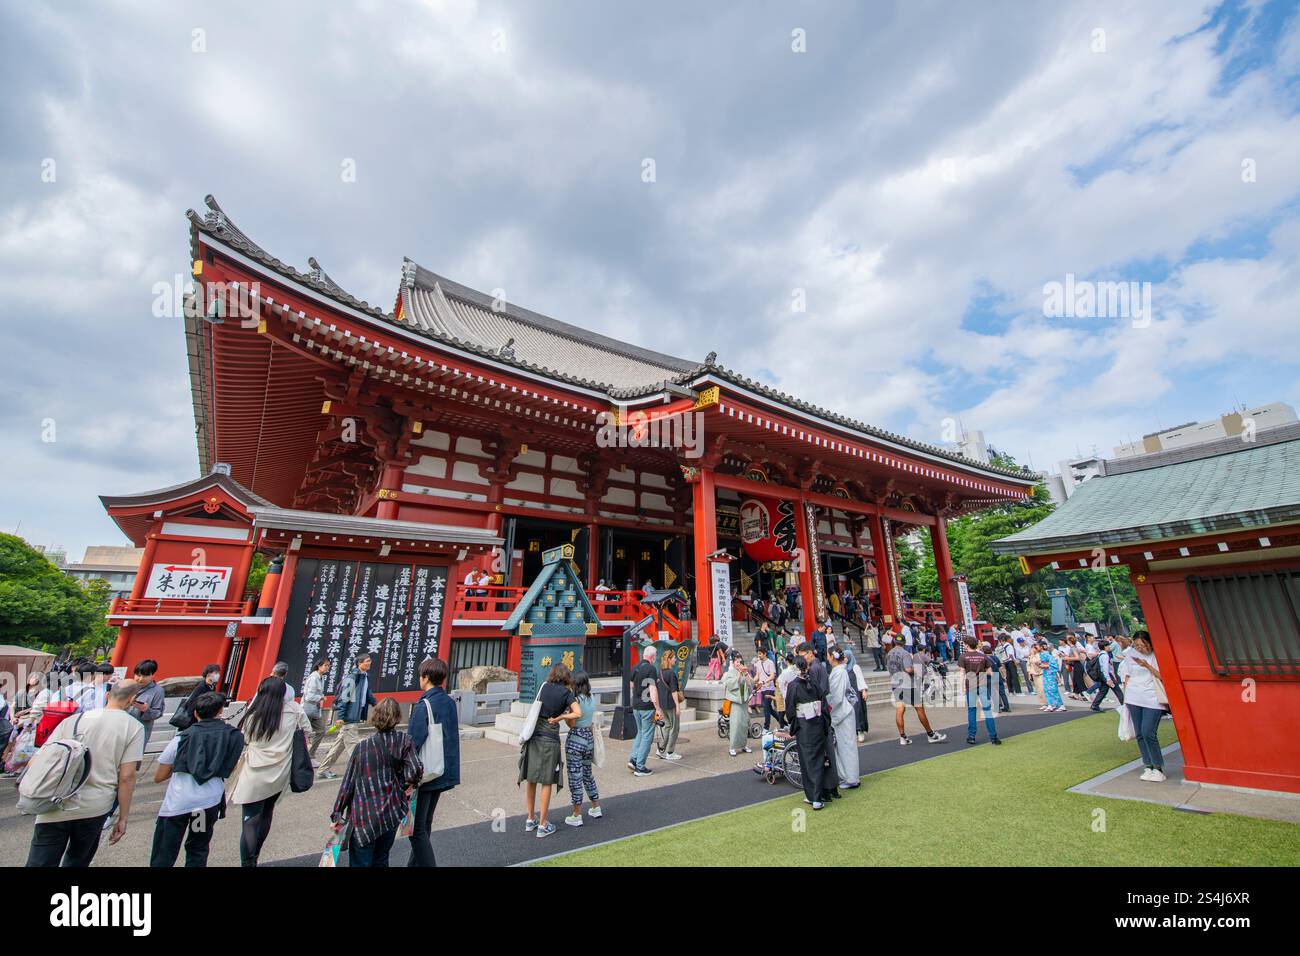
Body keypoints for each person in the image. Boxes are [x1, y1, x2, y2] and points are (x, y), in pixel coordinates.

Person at [26, 680, 144, 867]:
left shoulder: (73, 720)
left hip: (54, 803)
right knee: (77, 861)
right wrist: (123, 817)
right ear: (132, 700)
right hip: (95, 806)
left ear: (107, 696)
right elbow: (127, 777)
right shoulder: (134, 727)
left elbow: (36, 761)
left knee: (40, 862)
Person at [150, 690, 244, 867]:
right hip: (205, 804)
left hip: (177, 805)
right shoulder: (233, 736)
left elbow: (159, 776)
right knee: (197, 847)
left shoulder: (182, 737)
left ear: (195, 713)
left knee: (165, 851)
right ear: (220, 712)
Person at [230, 676, 312, 866]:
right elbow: (306, 730)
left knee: (250, 820)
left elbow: (246, 739)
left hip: (254, 771)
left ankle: (247, 862)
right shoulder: (294, 710)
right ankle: (256, 855)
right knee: (267, 813)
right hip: (280, 769)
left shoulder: (254, 714)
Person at [330, 697, 421, 867]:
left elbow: (347, 785)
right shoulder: (405, 741)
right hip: (390, 813)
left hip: (363, 816)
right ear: (397, 717)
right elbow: (415, 771)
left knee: (361, 861)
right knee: (381, 858)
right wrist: (401, 787)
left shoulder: (362, 748)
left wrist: (337, 813)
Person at [406, 656, 460, 865]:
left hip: (425, 772)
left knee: (416, 829)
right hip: (441, 769)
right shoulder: (448, 702)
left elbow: (413, 742)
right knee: (424, 824)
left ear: (426, 677)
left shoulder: (424, 705)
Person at [521, 663, 577, 837]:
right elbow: (578, 713)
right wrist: (561, 716)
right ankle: (543, 825)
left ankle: (531, 819)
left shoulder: (543, 687)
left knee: (531, 778)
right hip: (550, 738)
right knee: (546, 781)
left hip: (534, 735)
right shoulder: (567, 694)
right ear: (567, 677)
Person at [784, 654, 836, 809]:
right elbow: (823, 702)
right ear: (806, 667)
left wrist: (793, 724)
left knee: (807, 761)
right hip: (818, 724)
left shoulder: (793, 685)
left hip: (804, 726)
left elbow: (790, 709)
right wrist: (825, 721)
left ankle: (814, 796)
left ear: (795, 668)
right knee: (819, 759)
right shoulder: (813, 682)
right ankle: (816, 796)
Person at [318, 651, 377, 778]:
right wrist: (340, 717)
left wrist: (376, 704)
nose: (370, 663)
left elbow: (367, 693)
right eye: (367, 661)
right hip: (349, 717)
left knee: (338, 747)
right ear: (359, 663)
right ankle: (363, 773)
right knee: (354, 747)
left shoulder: (364, 676)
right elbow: (344, 698)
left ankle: (323, 769)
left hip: (353, 717)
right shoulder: (352, 677)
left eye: (369, 661)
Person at [1120, 631, 1167, 782]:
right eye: (1137, 645)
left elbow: (1163, 675)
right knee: (1140, 733)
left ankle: (1158, 767)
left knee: (1148, 732)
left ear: (1149, 643)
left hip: (1152, 698)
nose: (1140, 648)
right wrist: (1125, 697)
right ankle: (1148, 765)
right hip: (1133, 696)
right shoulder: (1130, 654)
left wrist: (1146, 665)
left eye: (1143, 645)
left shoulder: (1156, 655)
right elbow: (1127, 675)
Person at [886, 634, 947, 746]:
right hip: (908, 684)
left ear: (894, 642)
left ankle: (903, 737)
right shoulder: (905, 654)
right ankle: (930, 734)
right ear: (904, 643)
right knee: (919, 709)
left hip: (895, 683)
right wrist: (917, 670)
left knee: (900, 710)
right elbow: (908, 669)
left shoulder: (889, 653)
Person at [562, 670, 603, 826]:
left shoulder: (575, 700)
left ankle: (576, 814)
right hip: (588, 737)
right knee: (587, 774)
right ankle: (595, 807)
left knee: (575, 777)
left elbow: (572, 723)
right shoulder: (591, 698)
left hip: (576, 739)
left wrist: (565, 716)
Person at [958, 637, 1002, 745]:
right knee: (987, 711)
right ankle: (993, 737)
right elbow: (990, 672)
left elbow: (962, 673)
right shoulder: (983, 656)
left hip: (971, 686)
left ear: (967, 645)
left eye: (964, 644)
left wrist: (962, 687)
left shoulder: (963, 657)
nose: (964, 645)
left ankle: (972, 736)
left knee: (972, 711)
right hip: (982, 685)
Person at [827, 646, 860, 789]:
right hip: (844, 711)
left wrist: (828, 709)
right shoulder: (840, 671)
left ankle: (851, 778)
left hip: (842, 712)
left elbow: (836, 696)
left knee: (846, 745)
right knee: (845, 745)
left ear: (832, 657)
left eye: (829, 655)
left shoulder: (839, 672)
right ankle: (848, 776)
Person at [627, 646, 662, 776]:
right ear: (653, 657)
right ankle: (640, 766)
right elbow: (653, 690)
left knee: (640, 733)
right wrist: (658, 708)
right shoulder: (651, 669)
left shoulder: (635, 667)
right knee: (647, 736)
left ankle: (634, 759)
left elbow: (631, 685)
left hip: (636, 705)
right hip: (647, 707)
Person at [722, 651, 754, 756]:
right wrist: (740, 673)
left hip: (744, 701)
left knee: (744, 724)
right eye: (736, 661)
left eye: (739, 661)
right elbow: (732, 684)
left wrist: (746, 674)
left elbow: (750, 684)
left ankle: (744, 745)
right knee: (735, 724)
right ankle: (732, 747)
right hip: (736, 702)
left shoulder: (744, 671)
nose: (738, 663)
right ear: (733, 662)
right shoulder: (730, 672)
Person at [129, 659, 166, 749]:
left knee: (134, 758)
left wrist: (146, 710)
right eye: (138, 675)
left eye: (145, 676)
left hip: (140, 730)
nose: (140, 679)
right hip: (122, 728)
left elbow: (158, 712)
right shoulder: (128, 686)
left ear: (152, 675)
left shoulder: (157, 691)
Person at [174, 663, 224, 729]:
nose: (218, 675)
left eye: (218, 673)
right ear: (209, 674)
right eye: (216, 673)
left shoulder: (212, 687)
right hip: (194, 720)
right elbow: (192, 703)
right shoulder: (201, 687)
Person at [656, 653, 684, 761]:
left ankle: (661, 749)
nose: (675, 659)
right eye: (673, 658)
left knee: (667, 726)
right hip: (671, 704)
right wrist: (677, 706)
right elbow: (674, 691)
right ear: (669, 660)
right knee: (675, 728)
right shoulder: (671, 673)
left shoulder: (660, 673)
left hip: (663, 705)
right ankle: (670, 752)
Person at [301, 656, 331, 758]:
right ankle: (302, 755)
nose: (327, 667)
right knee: (303, 733)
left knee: (321, 730)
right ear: (319, 666)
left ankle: (310, 754)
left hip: (315, 710)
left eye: (328, 665)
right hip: (308, 709)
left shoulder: (321, 677)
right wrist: (321, 697)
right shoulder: (313, 678)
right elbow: (309, 696)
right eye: (325, 665)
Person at [1089, 639, 1125, 710]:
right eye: (1108, 645)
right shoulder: (1105, 656)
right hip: (1107, 675)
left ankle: (1095, 705)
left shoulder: (1100, 654)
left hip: (1102, 675)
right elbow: (1105, 668)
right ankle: (1124, 705)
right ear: (1105, 647)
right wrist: (1108, 679)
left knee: (1103, 690)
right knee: (1117, 689)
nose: (1109, 647)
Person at [1039, 642, 1067, 712]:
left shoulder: (1047, 654)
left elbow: (1054, 664)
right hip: (1046, 673)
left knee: (1053, 689)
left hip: (1050, 673)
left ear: (1041, 647)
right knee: (1047, 689)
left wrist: (1044, 665)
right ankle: (1051, 704)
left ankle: (1060, 705)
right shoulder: (1042, 654)